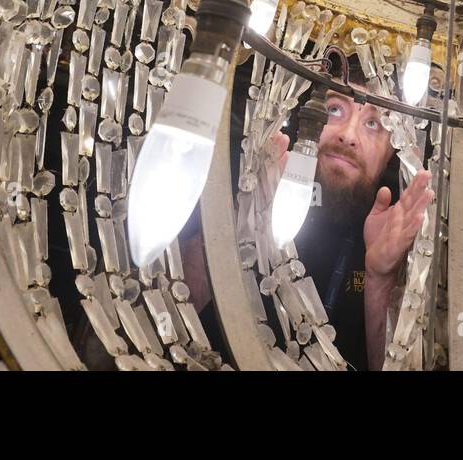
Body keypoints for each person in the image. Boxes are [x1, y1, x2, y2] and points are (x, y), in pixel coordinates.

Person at [179, 53, 433, 370]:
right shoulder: (250, 190)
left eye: (372, 123)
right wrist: (239, 217)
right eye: (335, 110)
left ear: (392, 151)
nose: (348, 135)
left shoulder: (387, 242)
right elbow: (171, 324)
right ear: (308, 119)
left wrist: (380, 280)